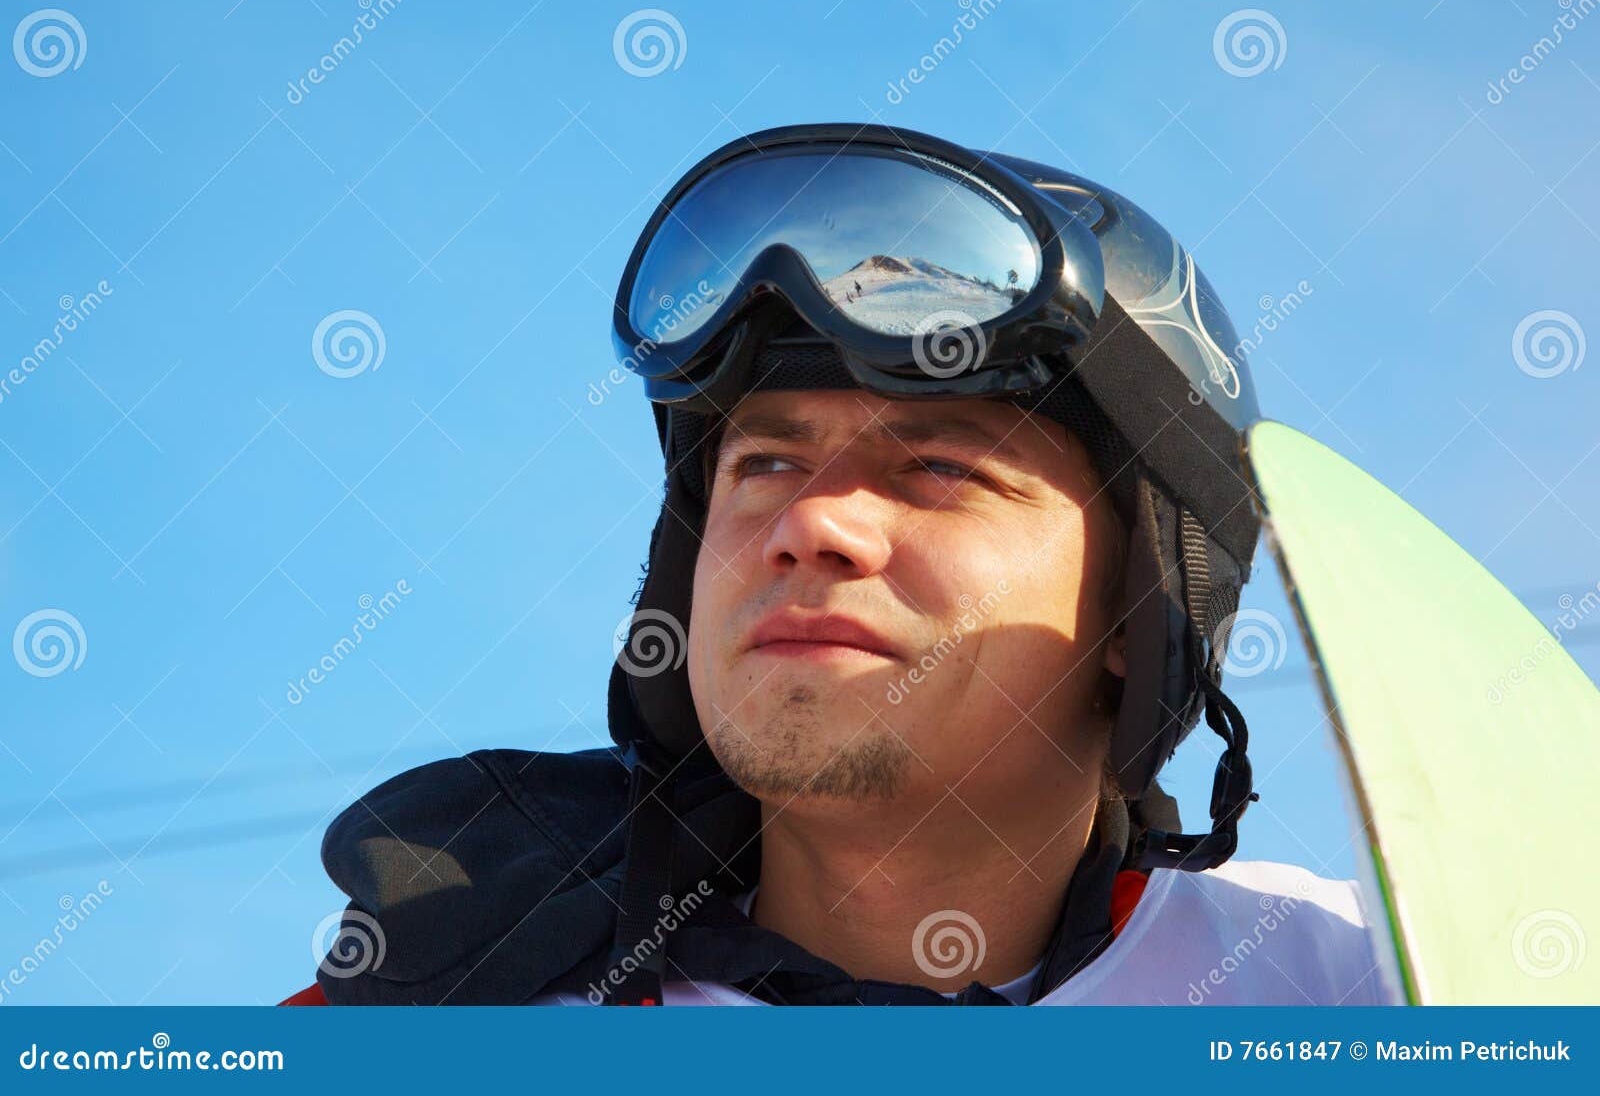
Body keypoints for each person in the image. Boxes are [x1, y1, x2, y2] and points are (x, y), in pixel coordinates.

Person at [282, 124, 1396, 1007]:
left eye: (939, 468)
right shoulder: (430, 1012)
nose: (813, 523)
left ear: (1140, 615)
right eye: (764, 459)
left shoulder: (1371, 993)